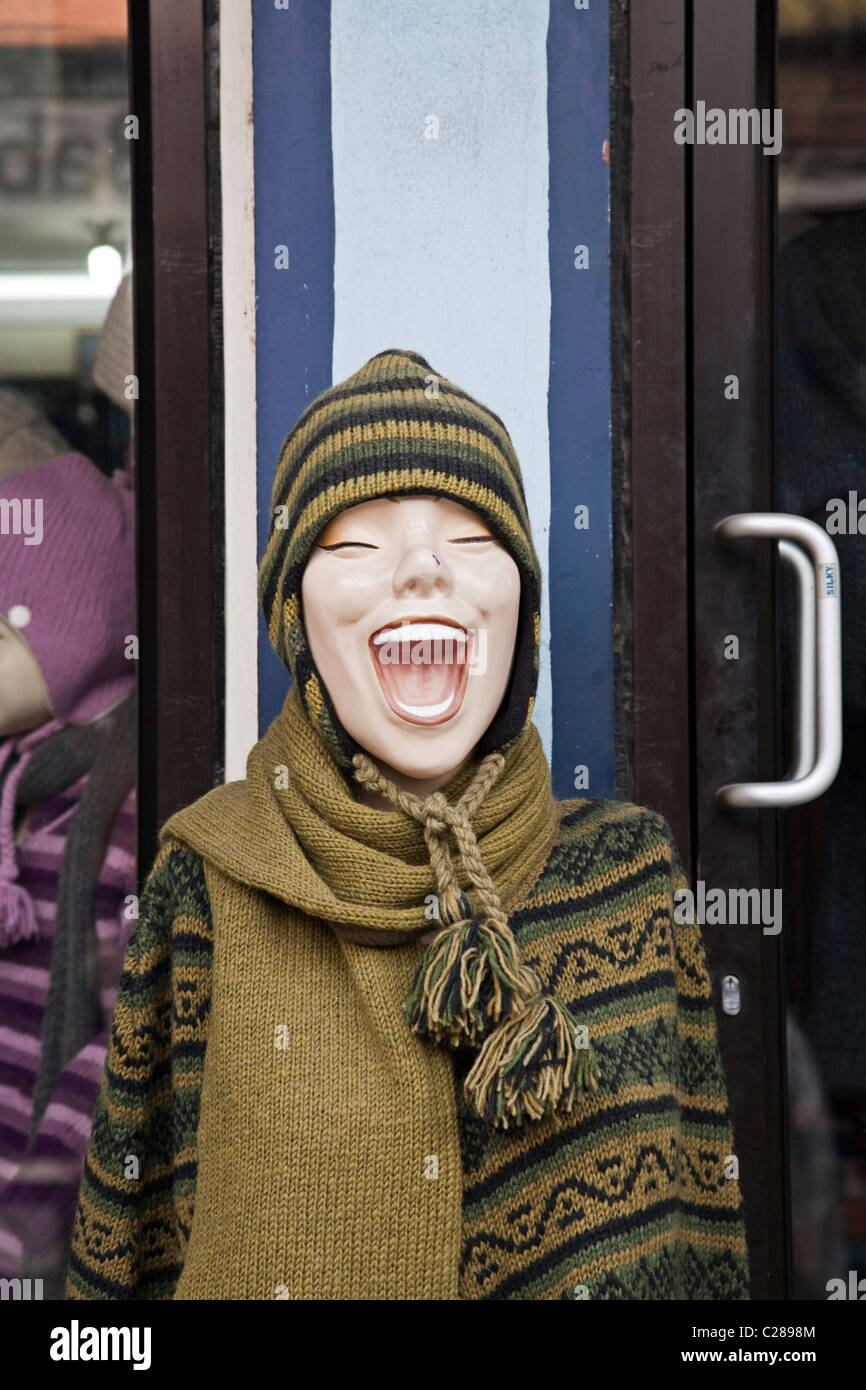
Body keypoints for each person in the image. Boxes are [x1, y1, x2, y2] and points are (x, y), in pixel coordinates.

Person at [66, 348, 749, 1300]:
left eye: (473, 542)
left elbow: (698, 1238)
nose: (425, 569)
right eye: (355, 545)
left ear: (525, 606)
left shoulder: (625, 873)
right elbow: (131, 1251)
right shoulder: (208, 874)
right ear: (294, 614)